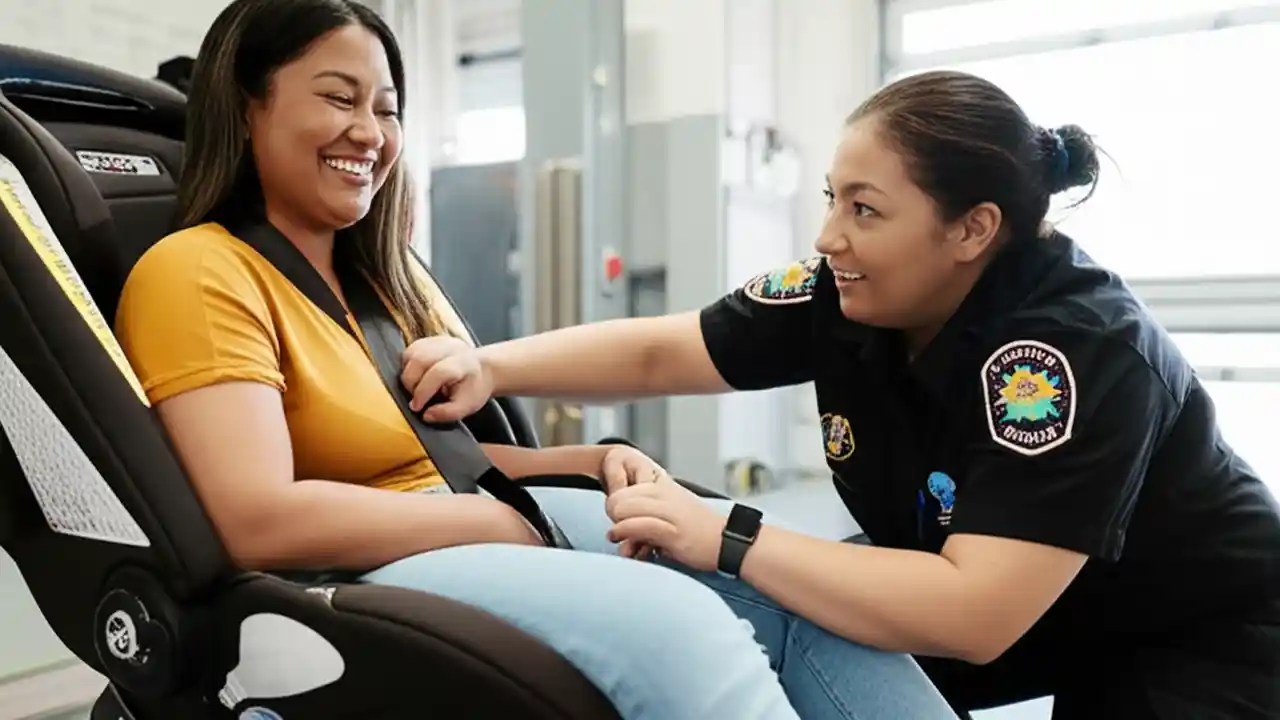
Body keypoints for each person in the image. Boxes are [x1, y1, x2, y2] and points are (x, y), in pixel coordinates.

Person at [112, 1, 959, 719]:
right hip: (359, 570)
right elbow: (255, 520)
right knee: (683, 629)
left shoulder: (376, 285)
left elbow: (438, 463)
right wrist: (487, 521)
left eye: (388, 108)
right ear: (247, 106)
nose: (369, 132)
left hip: (465, 522)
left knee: (809, 594)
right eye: (339, 98)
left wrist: (589, 462)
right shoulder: (199, 271)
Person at [404, 69, 1280, 719]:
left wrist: (729, 535)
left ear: (972, 229)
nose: (828, 236)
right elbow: (664, 353)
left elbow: (974, 612)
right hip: (1012, 594)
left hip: (1199, 634)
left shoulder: (1070, 357)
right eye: (833, 199)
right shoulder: (844, 289)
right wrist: (492, 368)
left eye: (865, 209)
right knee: (809, 626)